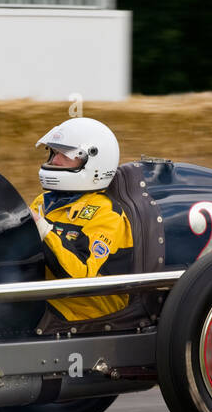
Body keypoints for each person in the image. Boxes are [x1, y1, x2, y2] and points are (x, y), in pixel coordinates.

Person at [29, 117, 134, 323]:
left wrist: (42, 229)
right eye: (54, 153)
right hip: (41, 297)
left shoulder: (107, 214)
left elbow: (79, 277)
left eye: (66, 155)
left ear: (94, 163)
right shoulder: (44, 201)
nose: (55, 161)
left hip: (83, 312)